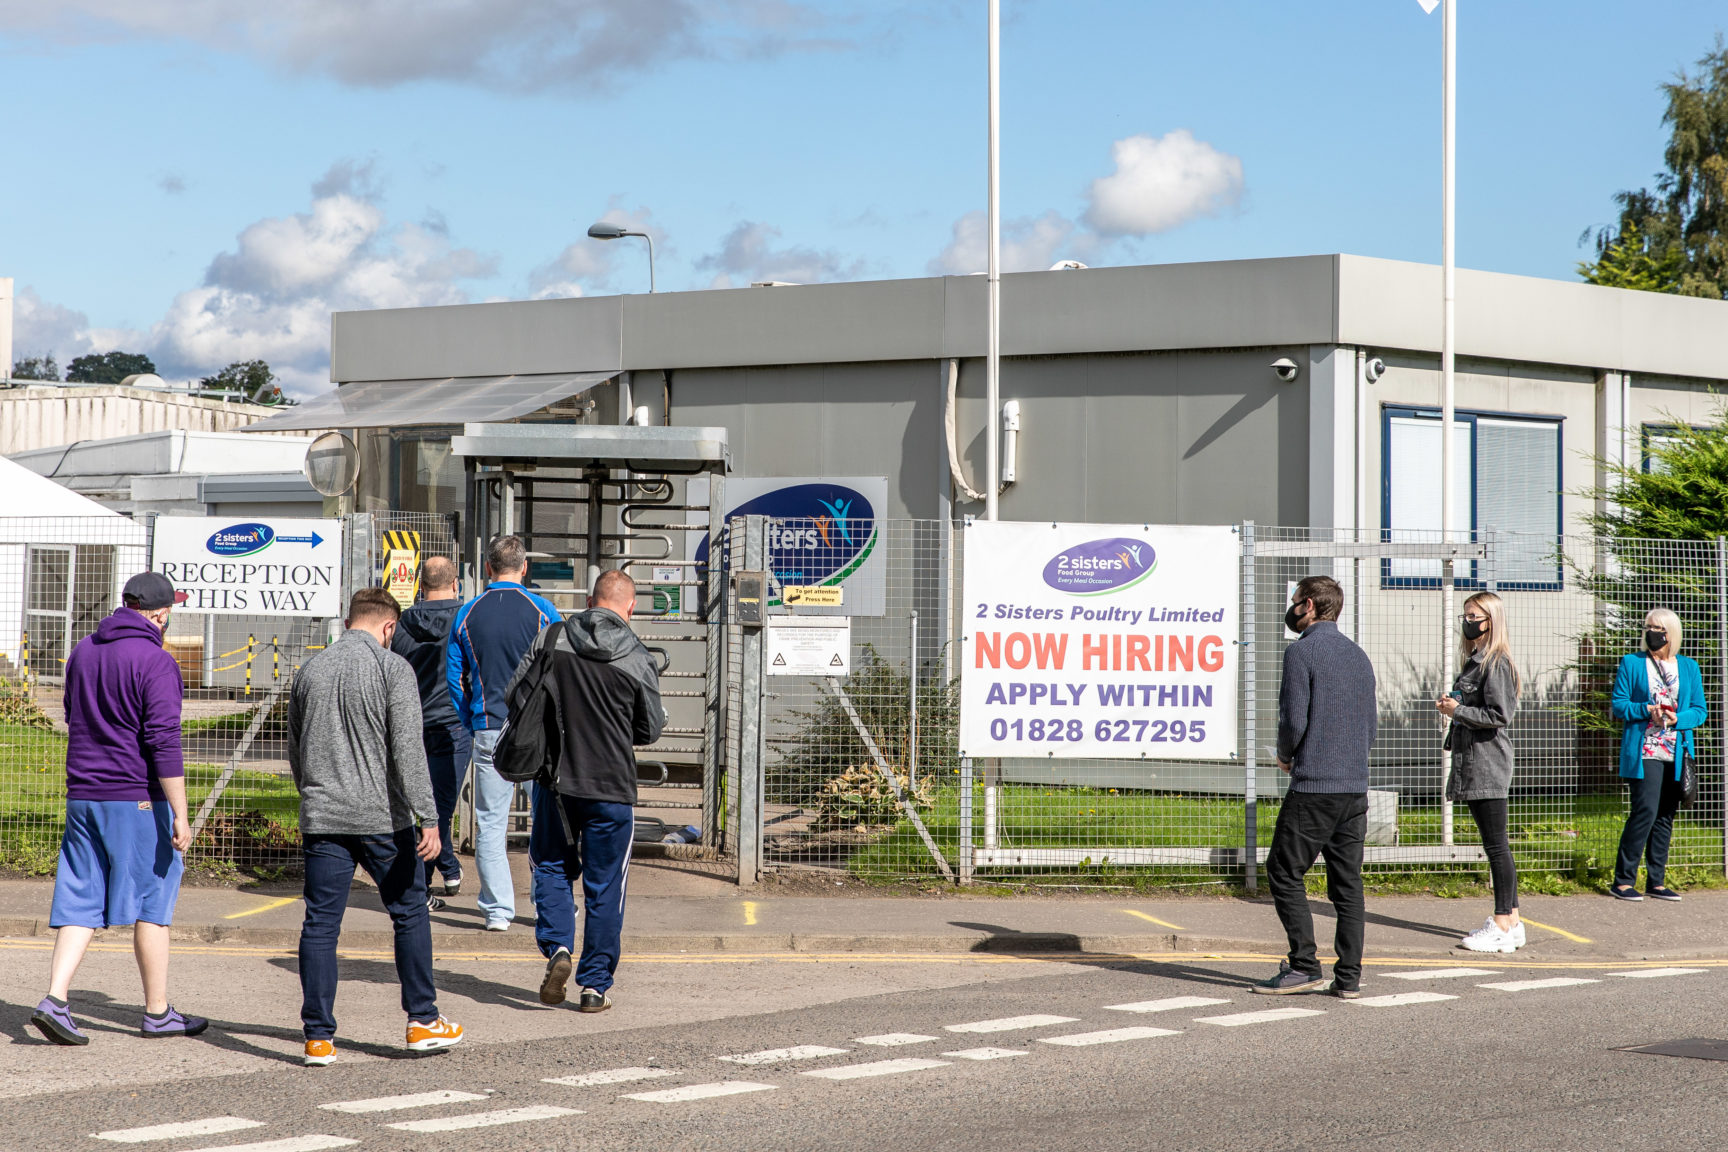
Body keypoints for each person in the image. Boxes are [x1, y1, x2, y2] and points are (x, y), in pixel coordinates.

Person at [288, 587, 463, 1066]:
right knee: (409, 912)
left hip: (323, 817)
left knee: (321, 924)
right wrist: (429, 818)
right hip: (382, 818)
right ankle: (422, 1020)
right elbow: (409, 752)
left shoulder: (310, 670)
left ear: (350, 621)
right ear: (389, 626)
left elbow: (297, 750)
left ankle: (318, 1038)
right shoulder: (393, 669)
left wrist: (314, 795)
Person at [30, 572, 206, 1046]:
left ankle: (55, 998)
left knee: (80, 898)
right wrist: (181, 813)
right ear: (160, 614)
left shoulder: (84, 651)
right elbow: (163, 741)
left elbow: (73, 715)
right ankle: (157, 1012)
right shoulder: (156, 661)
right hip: (135, 798)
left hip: (83, 795)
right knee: (153, 902)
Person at [512, 568, 664, 1012]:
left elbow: (516, 695)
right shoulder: (637, 655)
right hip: (612, 788)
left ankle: (558, 946)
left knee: (550, 866)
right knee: (605, 886)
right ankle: (594, 986)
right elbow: (649, 729)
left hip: (556, 783)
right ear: (630, 607)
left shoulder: (552, 638)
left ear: (591, 601)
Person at [1254, 575, 1378, 999]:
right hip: (1354, 788)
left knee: (1283, 870)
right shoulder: (1358, 655)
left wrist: (1285, 754)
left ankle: (1304, 966)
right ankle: (1349, 978)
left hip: (1314, 787)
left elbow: (1293, 718)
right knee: (1347, 885)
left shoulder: (1301, 652)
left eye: (1294, 601)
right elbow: (1371, 725)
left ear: (1308, 605)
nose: (1291, 609)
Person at [447, 536, 560, 932]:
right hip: (536, 732)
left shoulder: (466, 614)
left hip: (488, 729)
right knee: (547, 821)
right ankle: (550, 906)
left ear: (488, 567)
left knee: (491, 824)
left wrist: (472, 719)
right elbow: (559, 668)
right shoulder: (544, 611)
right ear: (524, 567)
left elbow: (455, 680)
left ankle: (497, 911)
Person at [1437, 591, 1524, 953]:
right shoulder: (1474, 661)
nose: (1468, 622)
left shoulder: (1496, 663)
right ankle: (1513, 922)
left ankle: (1502, 924)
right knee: (1496, 844)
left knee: (1496, 846)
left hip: (1487, 763)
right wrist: (1455, 706)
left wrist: (1456, 711)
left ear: (1491, 621)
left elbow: (1500, 715)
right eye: (1466, 616)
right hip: (1473, 761)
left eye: (1474, 616)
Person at [1609, 607, 1706, 902]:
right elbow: (1619, 704)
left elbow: (1699, 711)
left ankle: (1657, 881)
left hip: (1676, 751)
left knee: (1665, 815)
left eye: (1658, 628)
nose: (1651, 632)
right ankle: (1623, 881)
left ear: (1670, 633)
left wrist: (1678, 719)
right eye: (1648, 627)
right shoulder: (1632, 663)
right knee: (1645, 811)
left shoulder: (1688, 667)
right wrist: (1646, 709)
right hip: (1645, 750)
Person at [390, 555, 469, 909]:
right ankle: (418, 891)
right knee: (439, 810)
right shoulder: (465, 619)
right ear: (455, 584)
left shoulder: (402, 624)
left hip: (412, 723)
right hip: (454, 725)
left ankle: (448, 868)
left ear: (421, 587)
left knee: (421, 805)